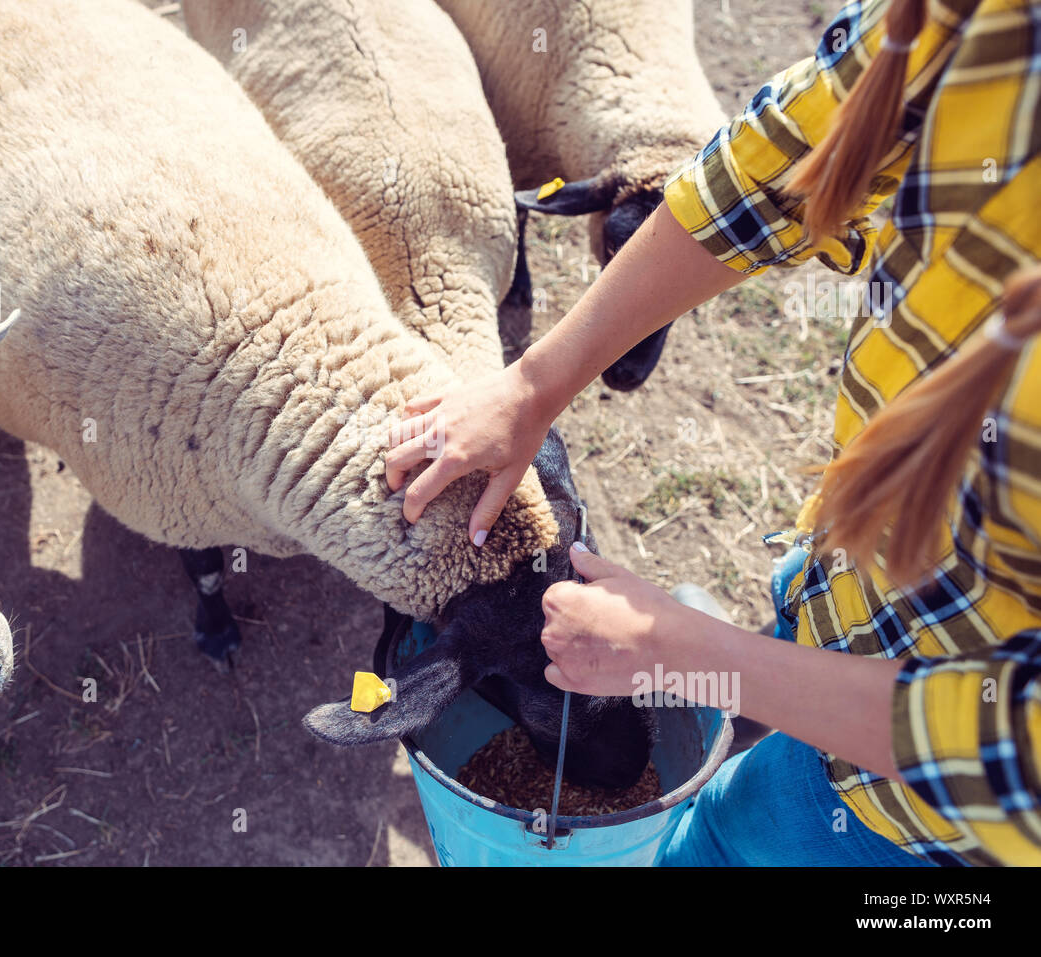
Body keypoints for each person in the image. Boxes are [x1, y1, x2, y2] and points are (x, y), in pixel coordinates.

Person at [384, 0, 1041, 866]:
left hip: (926, 828)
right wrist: (535, 384)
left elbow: (1019, 757)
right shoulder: (997, 25)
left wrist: (686, 653)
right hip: (850, 594)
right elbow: (784, 157)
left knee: (725, 840)